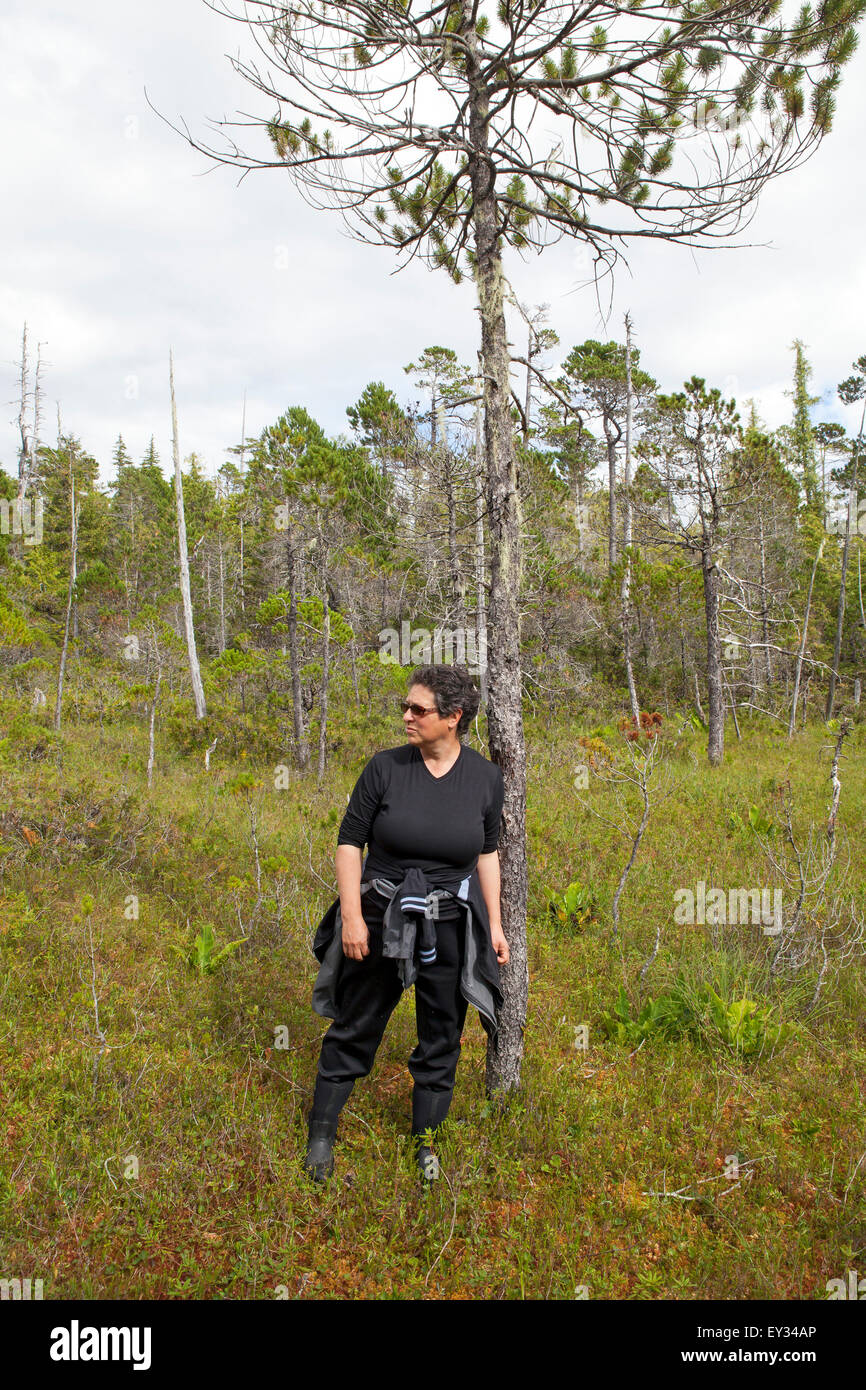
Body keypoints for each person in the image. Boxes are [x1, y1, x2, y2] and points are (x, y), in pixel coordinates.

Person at [304, 663, 509, 1186]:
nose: (407, 717)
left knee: (442, 1035)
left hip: (450, 924)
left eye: (419, 710)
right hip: (381, 916)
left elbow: (488, 854)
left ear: (453, 718)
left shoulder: (484, 778)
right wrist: (352, 917)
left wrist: (497, 926)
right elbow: (349, 842)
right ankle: (321, 1135)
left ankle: (426, 1146)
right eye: (407, 706)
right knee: (357, 1023)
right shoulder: (385, 768)